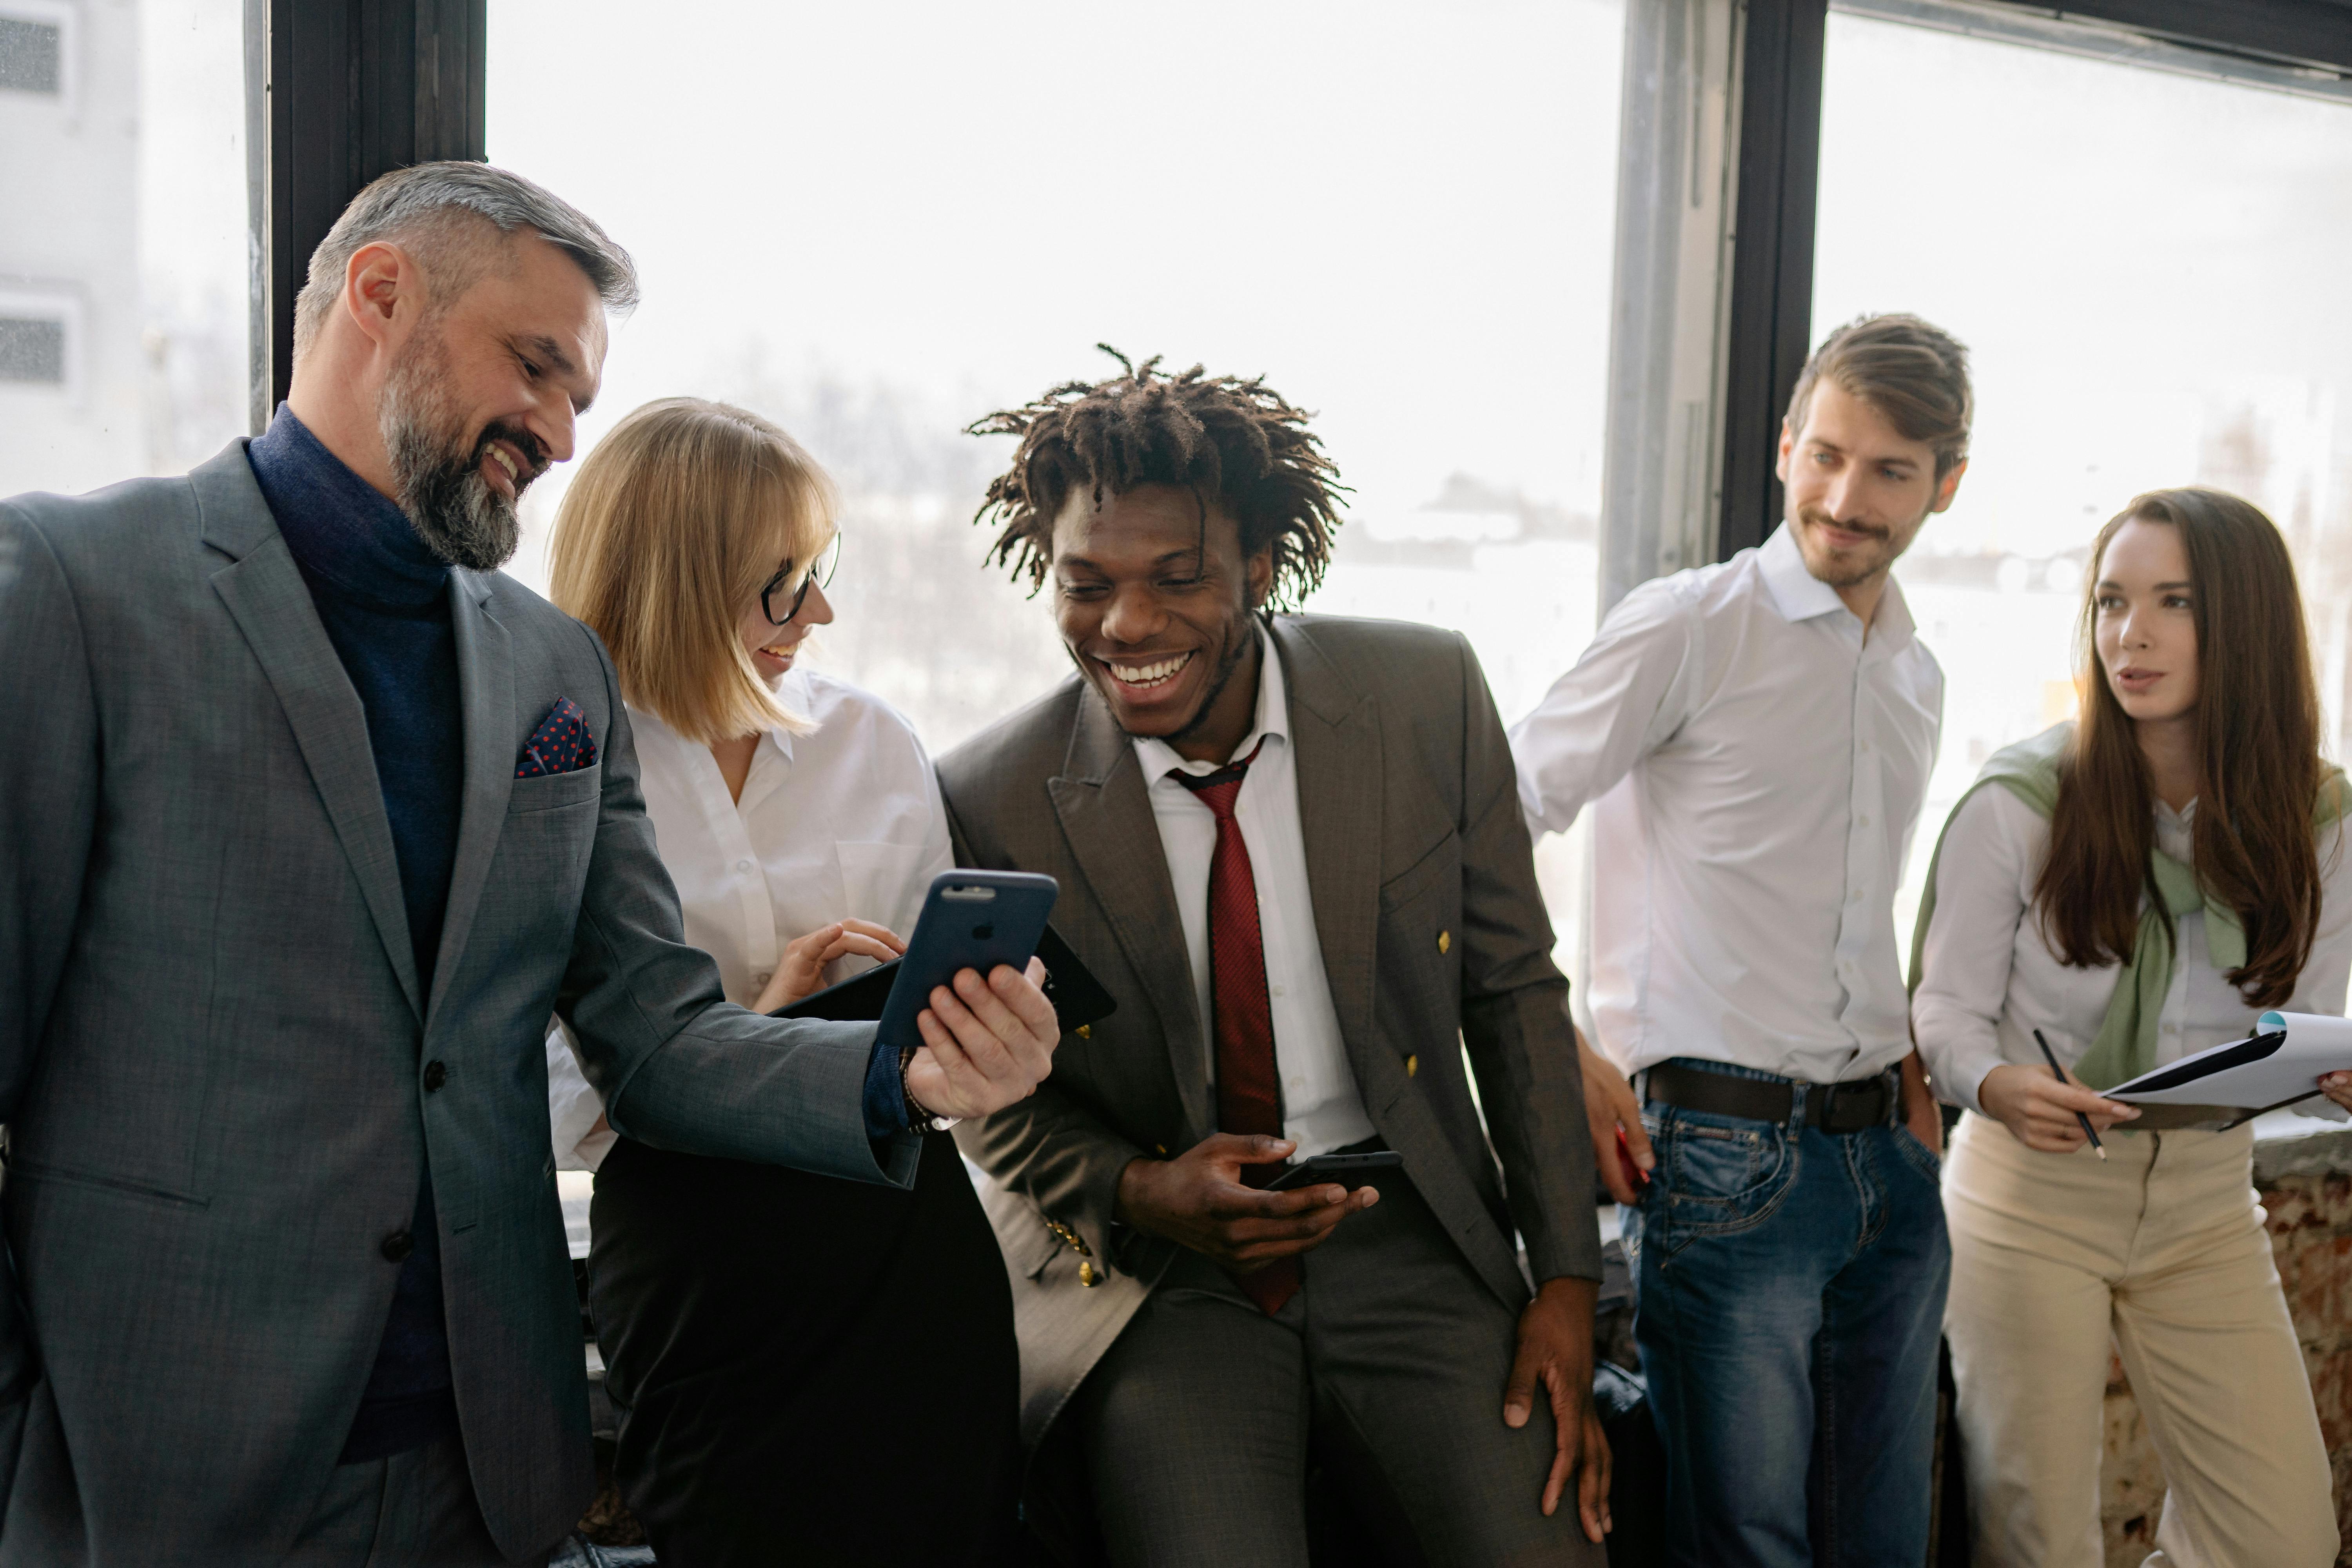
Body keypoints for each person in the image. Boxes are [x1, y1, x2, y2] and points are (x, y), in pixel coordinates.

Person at [0, 163, 1061, 1566]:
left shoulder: (552, 665)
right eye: (536, 367)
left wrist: (897, 1072)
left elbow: (660, 1036)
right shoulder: (72, 588)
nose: (562, 432)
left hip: (488, 1467)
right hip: (158, 1465)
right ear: (380, 294)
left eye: (582, 395)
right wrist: (26, 1436)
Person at [937, 352, 1611, 1567]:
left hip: (1409, 1228)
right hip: (1166, 1277)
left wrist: (1566, 1283)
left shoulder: (1425, 695)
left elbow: (1513, 993)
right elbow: (999, 1104)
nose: (1127, 625)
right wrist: (1145, 1195)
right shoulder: (989, 796)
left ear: (1260, 565)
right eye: (1086, 584)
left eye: (1177, 579)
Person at [1512, 312, 1969, 1566]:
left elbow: (1855, 910)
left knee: (1884, 1548)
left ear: (1948, 482)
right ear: (1783, 447)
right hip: (1723, 1164)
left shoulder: (1916, 672)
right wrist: (1563, 1040)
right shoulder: (1689, 627)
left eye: (1889, 470)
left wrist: (1911, 1100)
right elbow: (1484, 828)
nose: (1845, 496)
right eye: (1826, 454)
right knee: (1746, 1552)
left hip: (1890, 1174)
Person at [537, 396, 1022, 1564]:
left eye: (821, 568)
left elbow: (934, 1029)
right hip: (702, 1252)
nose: (822, 610)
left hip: (904, 1236)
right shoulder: (551, 760)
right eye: (781, 582)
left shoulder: (873, 740)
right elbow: (523, 1066)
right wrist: (753, 1036)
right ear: (673, 581)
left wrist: (988, 1033)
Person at [1911, 487, 2347, 1566]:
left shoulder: (2323, 822)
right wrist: (1994, 1083)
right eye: (2110, 601)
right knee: (2038, 1540)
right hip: (2030, 1196)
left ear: (2243, 625)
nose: (2129, 635)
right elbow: (1943, 1012)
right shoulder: (2020, 802)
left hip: (2206, 1201)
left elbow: (2312, 1025)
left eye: (2173, 603)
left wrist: (2331, 1074)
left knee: (2284, 1540)